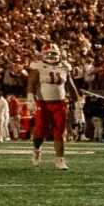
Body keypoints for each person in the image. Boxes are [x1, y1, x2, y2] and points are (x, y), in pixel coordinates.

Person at [29, 43, 75, 171]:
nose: (51, 56)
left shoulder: (64, 67)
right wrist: (30, 98)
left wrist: (77, 101)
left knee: (59, 132)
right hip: (43, 103)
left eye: (53, 53)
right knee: (40, 131)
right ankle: (37, 150)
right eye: (48, 53)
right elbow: (31, 83)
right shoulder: (38, 66)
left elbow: (71, 86)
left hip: (60, 104)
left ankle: (60, 160)